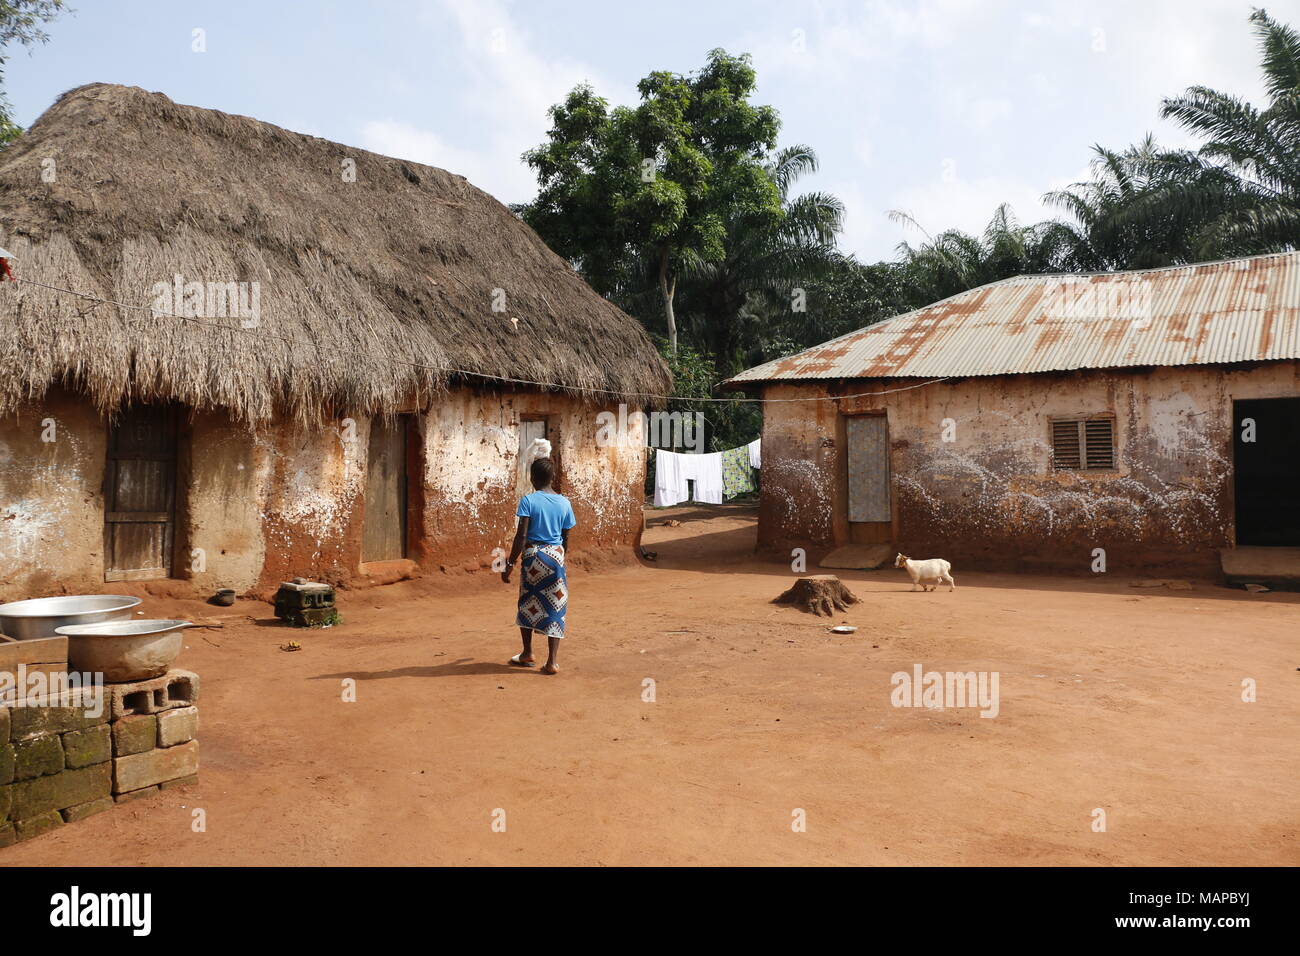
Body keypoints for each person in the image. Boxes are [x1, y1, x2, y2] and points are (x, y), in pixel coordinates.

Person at [501, 456, 575, 674]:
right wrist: (560, 558)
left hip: (533, 556)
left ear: (532, 478)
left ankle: (527, 652)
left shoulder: (529, 501)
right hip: (555, 555)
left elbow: (521, 535)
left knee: (528, 601)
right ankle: (552, 661)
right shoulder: (565, 502)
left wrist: (510, 563)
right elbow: (566, 536)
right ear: (553, 478)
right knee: (556, 605)